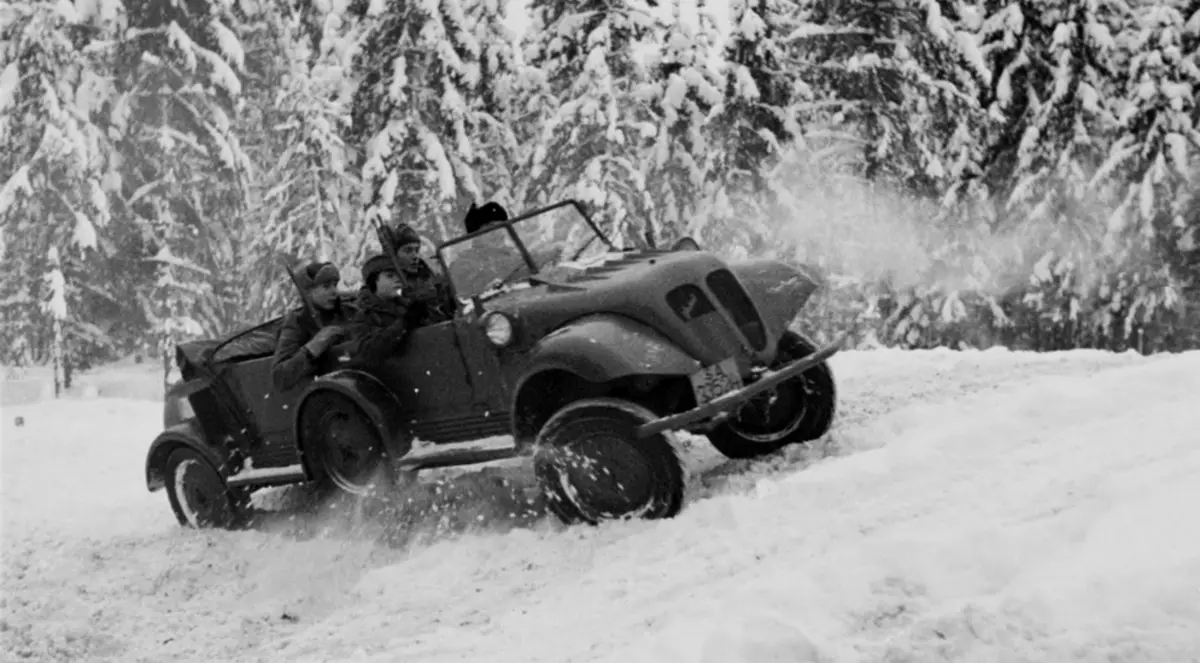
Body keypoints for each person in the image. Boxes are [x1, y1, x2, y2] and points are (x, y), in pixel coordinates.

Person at [271, 261, 354, 391]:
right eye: (326, 287)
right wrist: (313, 347)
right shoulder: (297, 322)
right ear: (308, 292)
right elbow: (280, 377)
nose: (334, 291)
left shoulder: (349, 311)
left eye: (335, 285)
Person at [379, 222, 458, 324]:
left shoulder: (429, 275)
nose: (415, 256)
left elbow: (447, 300)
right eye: (408, 251)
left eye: (416, 250)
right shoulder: (384, 286)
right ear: (394, 255)